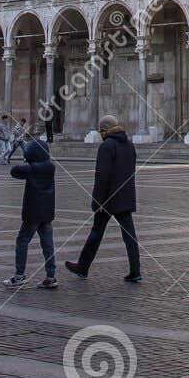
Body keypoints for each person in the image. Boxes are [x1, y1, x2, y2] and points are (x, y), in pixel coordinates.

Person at [66, 115, 142, 284]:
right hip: (125, 196)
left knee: (96, 233)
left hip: (108, 199)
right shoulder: (129, 145)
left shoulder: (107, 146)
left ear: (104, 130)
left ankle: (83, 267)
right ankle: (135, 270)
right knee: (129, 235)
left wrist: (98, 201)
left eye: (101, 131)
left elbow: (102, 176)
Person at [3, 138, 57, 290]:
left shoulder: (32, 168)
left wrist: (27, 159)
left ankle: (19, 276)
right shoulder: (50, 166)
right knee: (48, 244)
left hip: (33, 212)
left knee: (22, 241)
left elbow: (14, 171)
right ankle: (51, 276)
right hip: (47, 212)